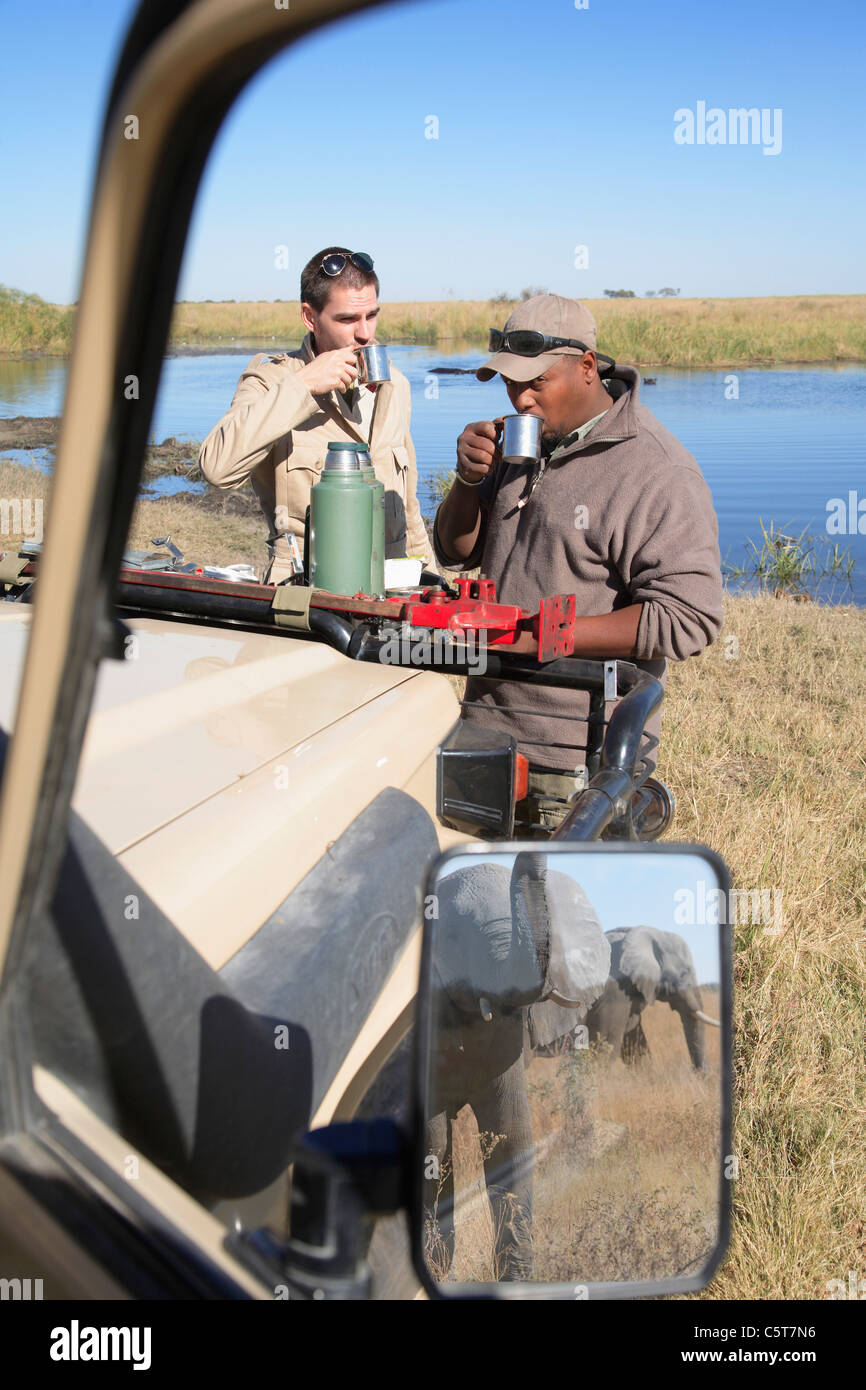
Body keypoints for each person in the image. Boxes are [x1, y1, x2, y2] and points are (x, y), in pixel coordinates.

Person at [433, 293, 724, 831]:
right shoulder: (520, 442)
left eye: (536, 382)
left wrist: (544, 634)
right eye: (510, 382)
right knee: (471, 901)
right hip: (483, 727)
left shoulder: (657, 472)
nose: (520, 398)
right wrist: (469, 479)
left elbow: (689, 619)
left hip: (576, 757)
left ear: (586, 367)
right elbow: (456, 552)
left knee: (557, 910)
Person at [199, 248, 435, 583]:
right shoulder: (273, 382)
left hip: (390, 593)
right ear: (310, 318)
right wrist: (303, 385)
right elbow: (216, 468)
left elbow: (408, 511)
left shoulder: (395, 384)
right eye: (347, 319)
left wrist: (432, 583)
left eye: (372, 315)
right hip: (306, 595)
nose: (366, 333)